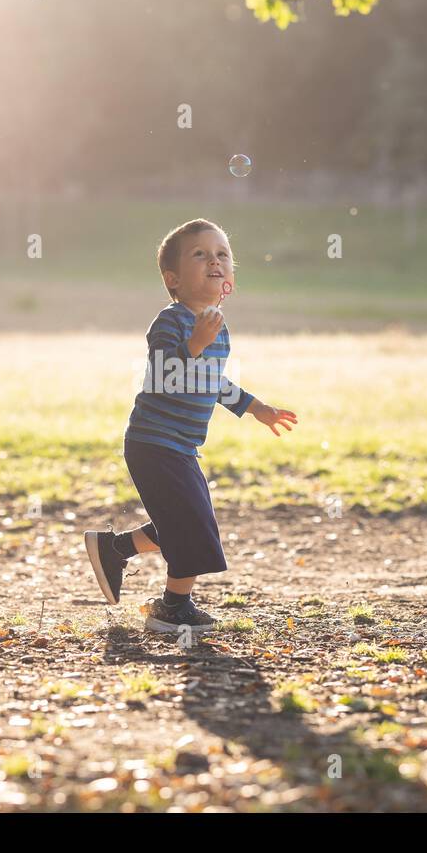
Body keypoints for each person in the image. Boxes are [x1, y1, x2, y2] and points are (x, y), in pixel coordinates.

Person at [84, 218, 297, 634]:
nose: (214, 260)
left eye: (222, 254)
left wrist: (257, 408)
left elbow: (213, 381)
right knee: (192, 523)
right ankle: (173, 608)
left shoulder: (217, 328)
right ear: (173, 279)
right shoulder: (172, 321)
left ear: (231, 276)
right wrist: (195, 343)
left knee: (184, 520)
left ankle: (115, 548)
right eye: (200, 254)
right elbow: (169, 369)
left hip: (181, 446)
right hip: (153, 443)